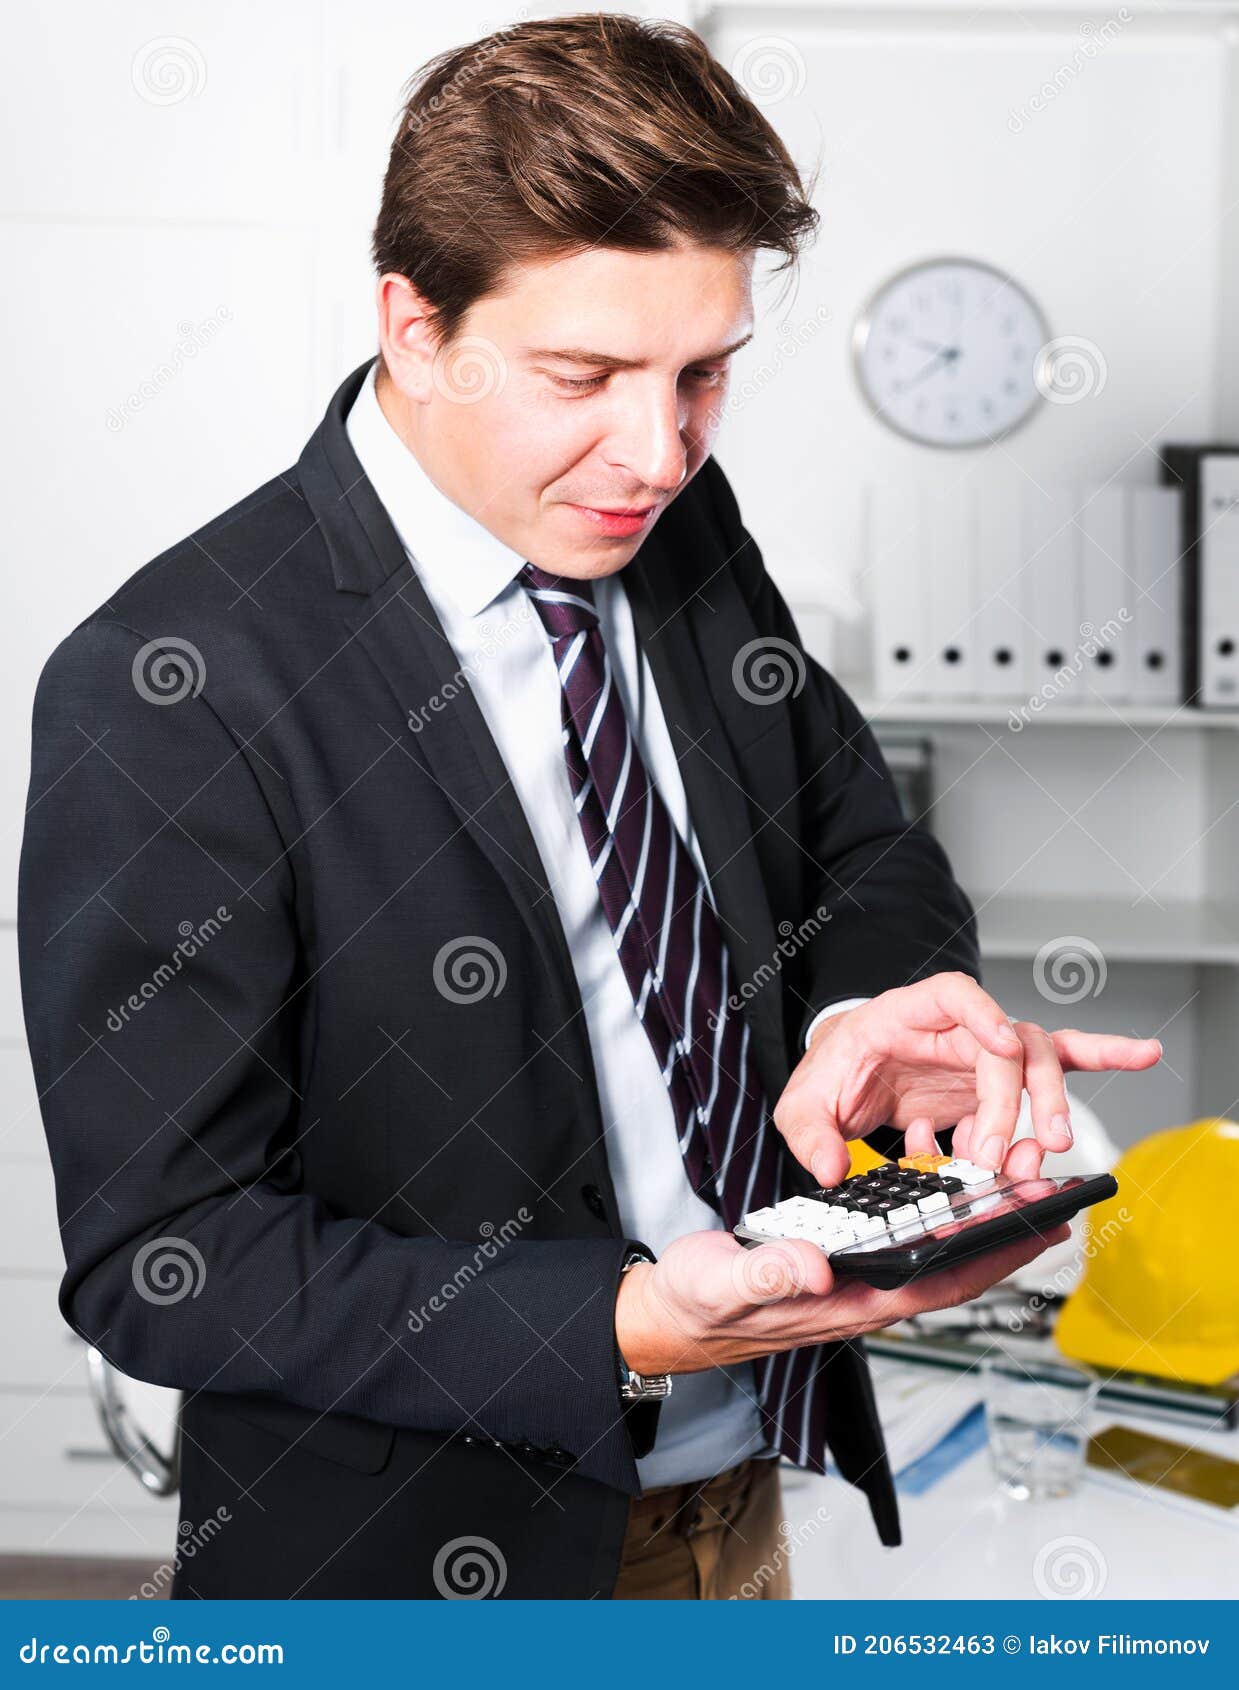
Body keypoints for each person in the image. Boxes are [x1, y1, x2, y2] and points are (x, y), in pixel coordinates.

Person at [17, 14, 1161, 1600]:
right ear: (416, 329)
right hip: (413, 1570)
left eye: (705, 372)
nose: (660, 446)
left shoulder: (674, 526)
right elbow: (171, 1254)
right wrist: (616, 1319)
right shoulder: (173, 679)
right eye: (587, 373)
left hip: (750, 1500)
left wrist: (873, 1003)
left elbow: (857, 844)